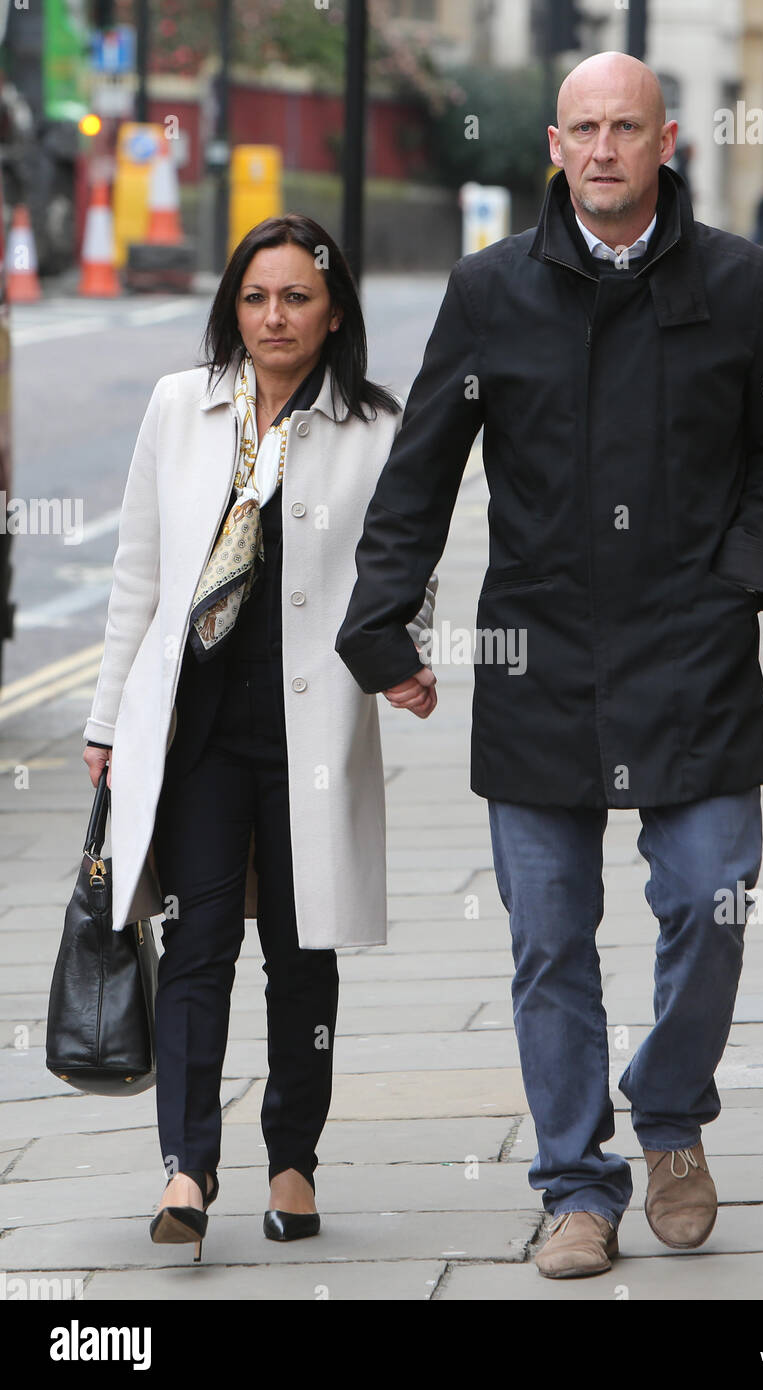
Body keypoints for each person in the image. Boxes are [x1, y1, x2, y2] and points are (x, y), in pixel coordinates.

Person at [336, 52, 763, 1279]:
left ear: (666, 143)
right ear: (553, 148)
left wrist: (744, 580)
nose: (604, 149)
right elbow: (422, 472)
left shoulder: (742, 283)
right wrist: (381, 619)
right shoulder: (490, 291)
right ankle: (575, 1184)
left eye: (627, 128)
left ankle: (669, 1120)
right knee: (548, 937)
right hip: (540, 653)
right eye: (584, 130)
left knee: (711, 892)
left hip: (693, 647)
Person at [82, 214, 437, 1261]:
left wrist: (406, 656)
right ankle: (187, 1166)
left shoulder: (373, 426)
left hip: (310, 736)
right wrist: (106, 722)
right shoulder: (177, 410)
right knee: (194, 947)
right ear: (231, 306)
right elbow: (137, 580)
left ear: (334, 314)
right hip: (192, 735)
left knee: (303, 950)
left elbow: (403, 574)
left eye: (296, 298)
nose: (273, 316)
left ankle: (294, 1158)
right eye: (255, 296)